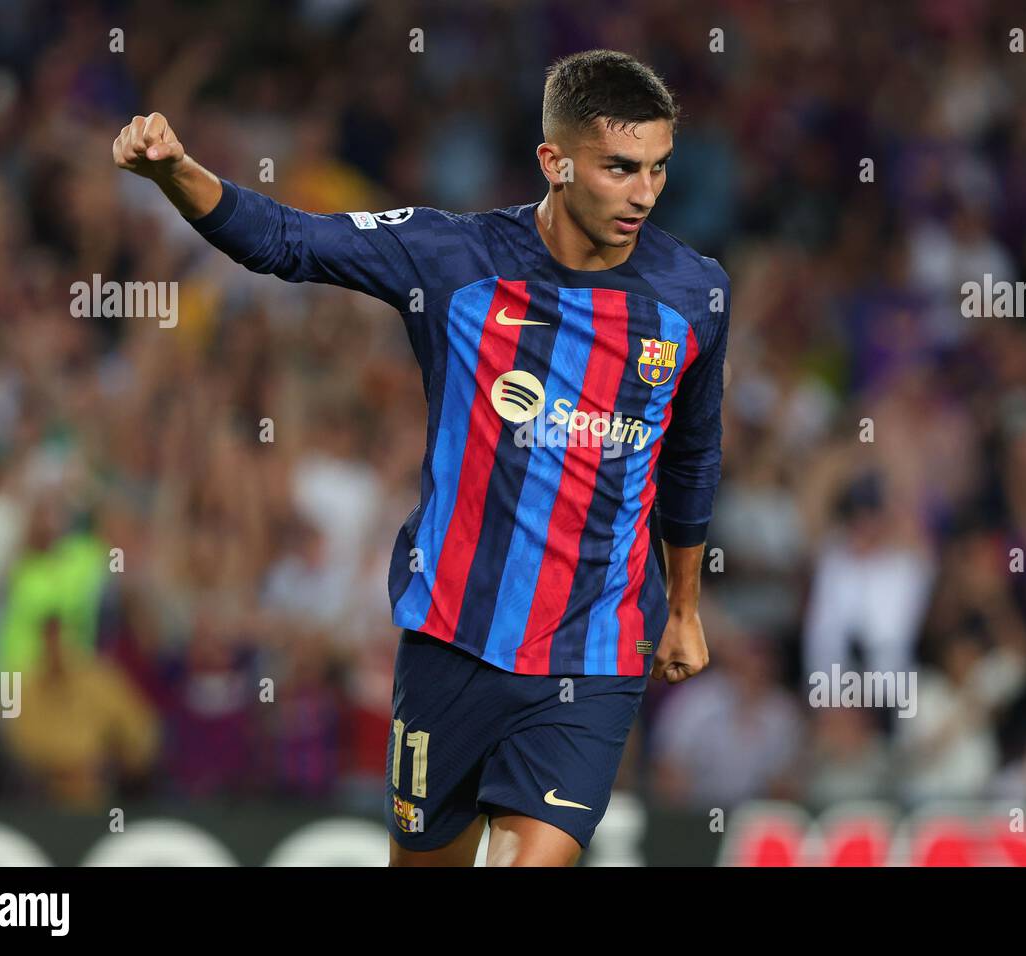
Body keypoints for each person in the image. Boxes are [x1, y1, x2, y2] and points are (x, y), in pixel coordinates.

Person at [112, 49, 729, 866]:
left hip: (592, 654)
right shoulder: (452, 260)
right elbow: (287, 240)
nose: (645, 194)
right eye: (620, 169)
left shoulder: (694, 294)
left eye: (657, 169)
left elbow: (692, 454)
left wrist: (682, 606)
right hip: (452, 644)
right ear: (554, 161)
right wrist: (177, 174)